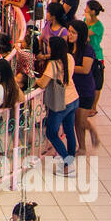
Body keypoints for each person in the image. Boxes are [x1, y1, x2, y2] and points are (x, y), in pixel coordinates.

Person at [35, 36, 78, 172]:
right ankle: (71, 157)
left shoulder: (53, 65)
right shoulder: (69, 58)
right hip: (74, 98)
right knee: (70, 129)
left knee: (52, 133)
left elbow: (42, 83)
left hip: (60, 103)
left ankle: (67, 162)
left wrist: (35, 79)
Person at [71, 20, 99, 152]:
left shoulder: (88, 49)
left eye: (73, 33)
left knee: (82, 121)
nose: (69, 35)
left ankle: (91, 129)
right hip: (74, 89)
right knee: (77, 121)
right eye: (69, 31)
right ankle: (82, 147)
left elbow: (85, 69)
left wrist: (68, 67)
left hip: (86, 90)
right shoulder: (70, 47)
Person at [84, 0, 106, 115]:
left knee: (97, 83)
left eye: (87, 8)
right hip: (87, 54)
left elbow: (85, 34)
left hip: (96, 56)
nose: (85, 10)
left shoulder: (98, 26)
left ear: (92, 11)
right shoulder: (86, 21)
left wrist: (87, 22)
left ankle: (93, 107)